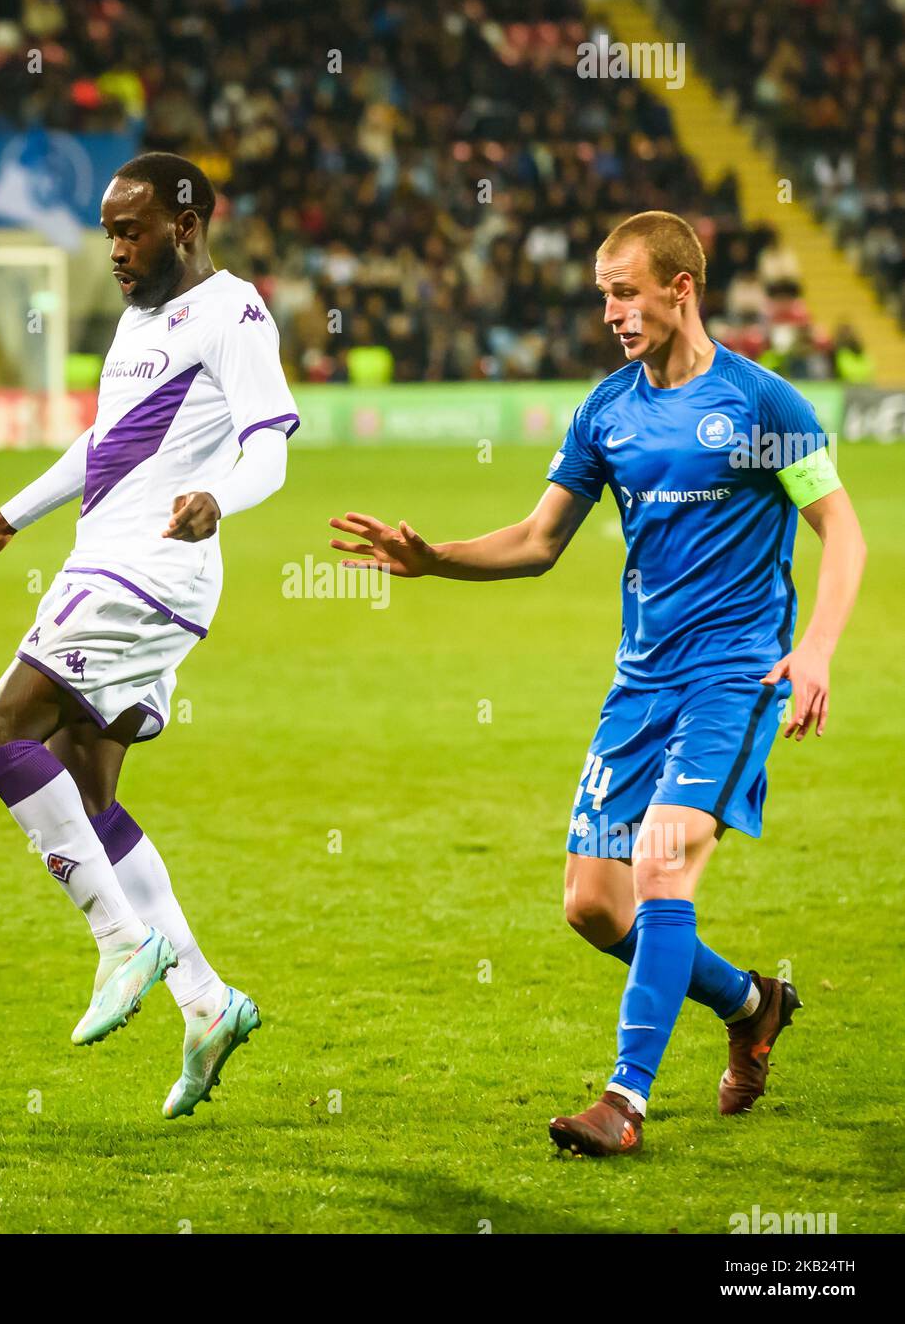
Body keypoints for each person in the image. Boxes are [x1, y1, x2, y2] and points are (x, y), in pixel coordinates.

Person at [330, 210, 866, 1156]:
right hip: (639, 687)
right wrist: (435, 558)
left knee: (662, 865)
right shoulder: (606, 411)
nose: (611, 311)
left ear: (679, 288)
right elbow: (538, 541)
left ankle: (622, 1102)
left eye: (624, 291)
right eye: (602, 295)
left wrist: (815, 648)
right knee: (593, 908)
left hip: (734, 679)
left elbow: (843, 532)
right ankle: (753, 1003)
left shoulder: (761, 404)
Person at [0, 152, 299, 1118]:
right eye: (108, 229)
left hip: (141, 571)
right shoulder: (138, 319)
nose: (114, 247)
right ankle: (204, 1001)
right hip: (117, 563)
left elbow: (270, 443)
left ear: (185, 228)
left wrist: (216, 500)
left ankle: (117, 940)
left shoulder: (231, 312)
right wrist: (6, 519)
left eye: (130, 229)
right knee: (90, 789)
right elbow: (101, 441)